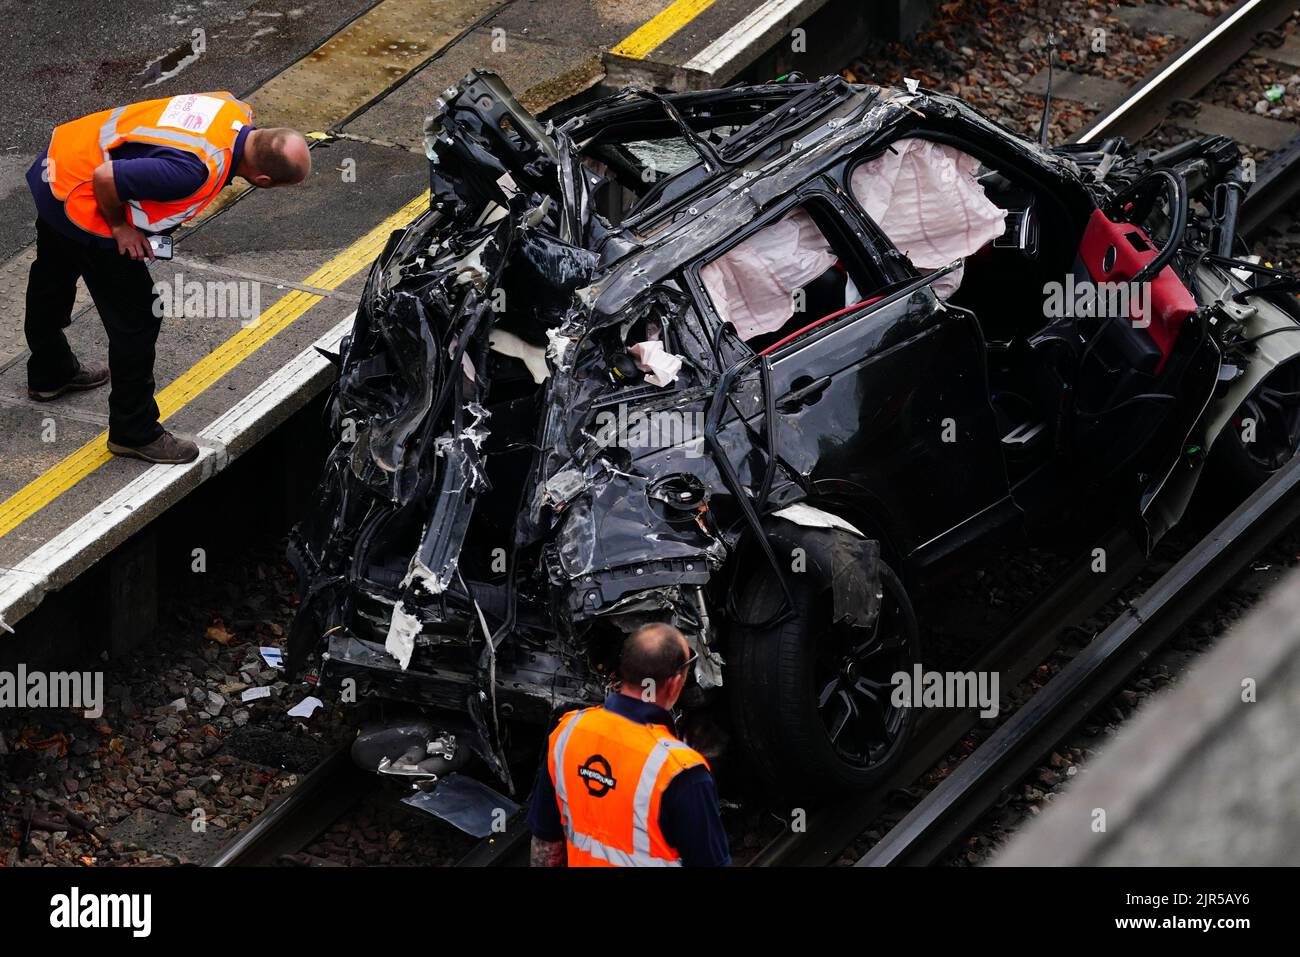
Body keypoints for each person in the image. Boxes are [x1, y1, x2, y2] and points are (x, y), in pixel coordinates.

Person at [25, 92, 311, 464]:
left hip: (61, 164)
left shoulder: (231, 107)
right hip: (81, 199)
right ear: (263, 180)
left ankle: (50, 372)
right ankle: (134, 431)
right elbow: (106, 178)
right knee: (138, 318)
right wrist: (121, 229)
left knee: (54, 272)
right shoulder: (193, 171)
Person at [527, 622, 731, 867]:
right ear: (675, 683)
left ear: (623, 671)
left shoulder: (567, 733)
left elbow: (546, 847)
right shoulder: (682, 773)